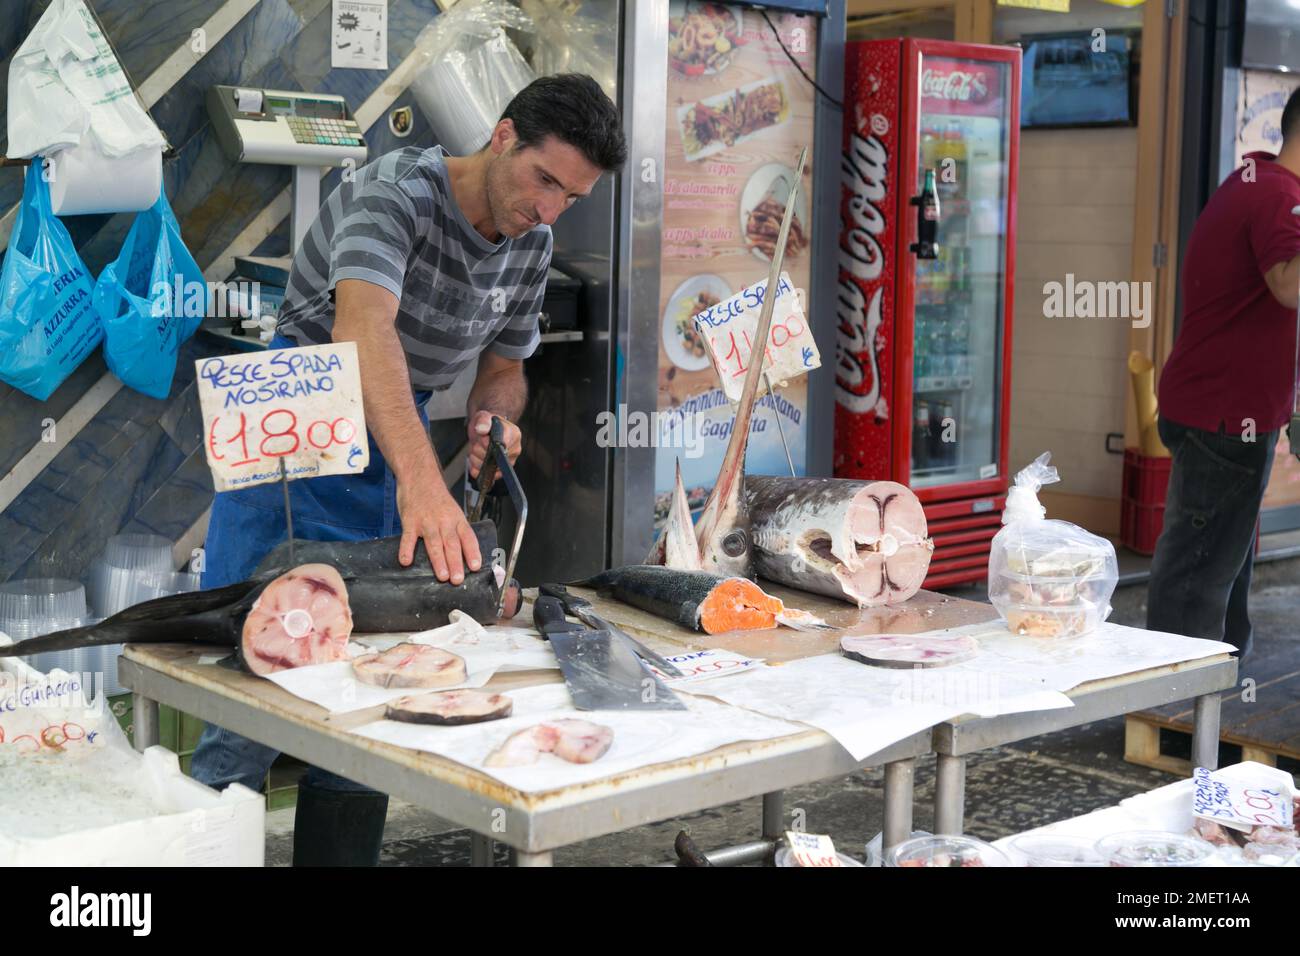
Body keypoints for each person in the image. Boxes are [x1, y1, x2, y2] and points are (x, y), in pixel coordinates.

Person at [189, 74, 627, 865]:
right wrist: (424, 484)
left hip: (395, 430)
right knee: (251, 685)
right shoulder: (393, 194)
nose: (553, 208)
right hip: (300, 417)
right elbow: (364, 330)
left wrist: (498, 416)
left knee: (374, 687)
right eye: (546, 181)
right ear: (502, 137)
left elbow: (505, 364)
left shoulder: (534, 242)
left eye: (574, 196)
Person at [1146, 87, 1300, 658]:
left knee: (1224, 564)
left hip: (1220, 407)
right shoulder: (1277, 196)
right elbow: (1288, 286)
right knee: (1199, 572)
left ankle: (1217, 690)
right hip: (1223, 415)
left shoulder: (1256, 181)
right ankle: (1174, 704)